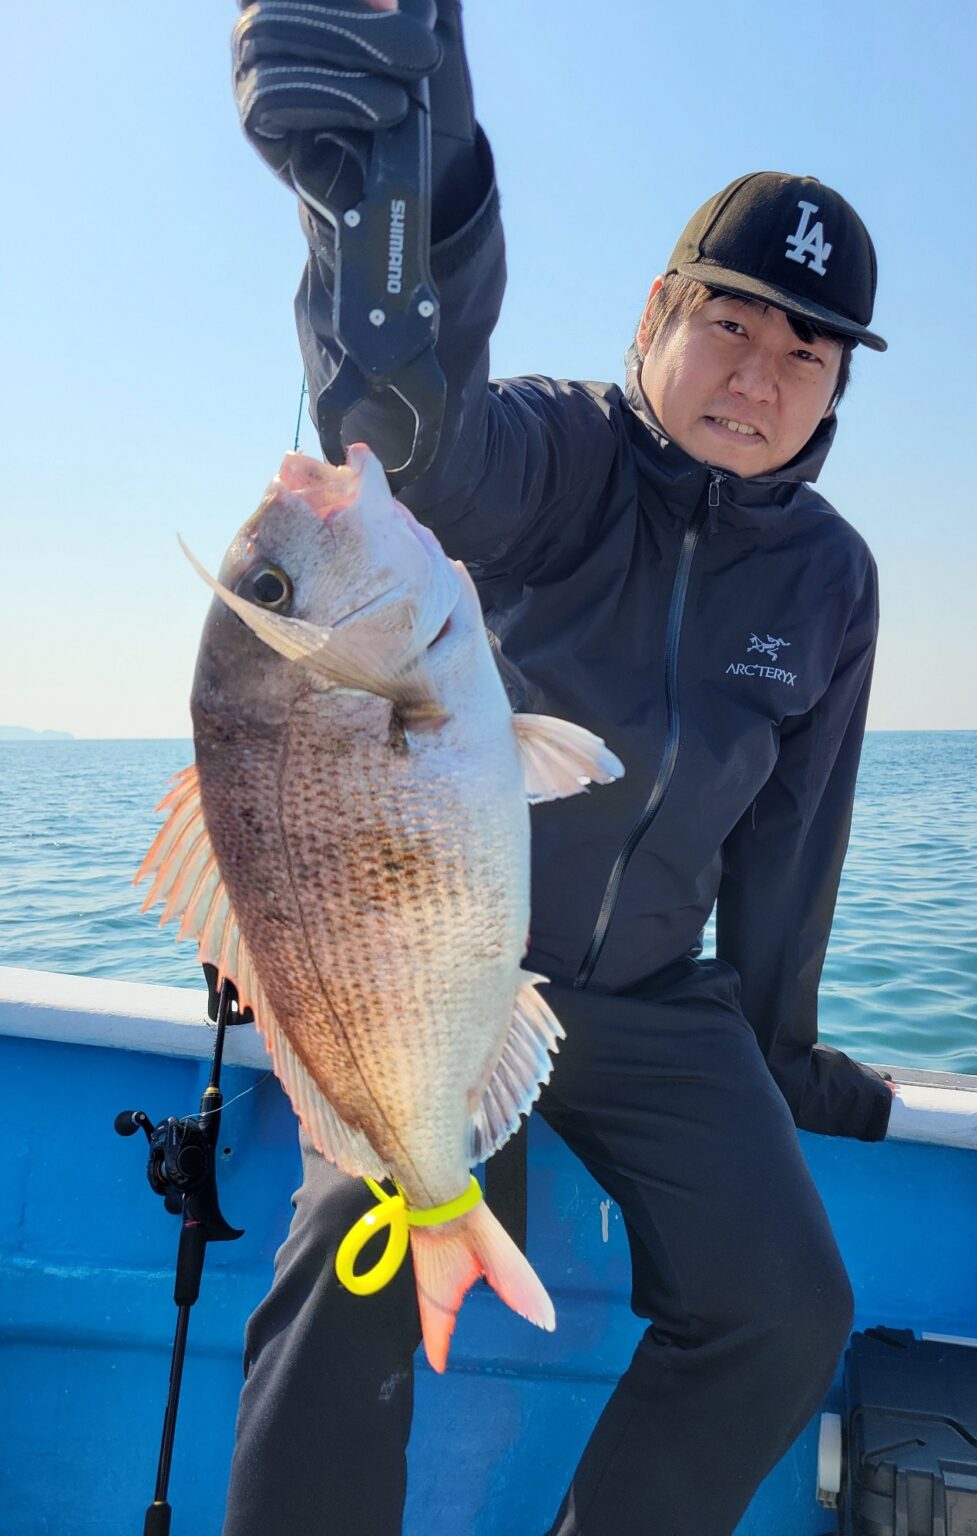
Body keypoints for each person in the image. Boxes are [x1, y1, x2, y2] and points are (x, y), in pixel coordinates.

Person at [224, 2, 894, 1532]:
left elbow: (793, 847)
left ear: (837, 386)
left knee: (785, 1310)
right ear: (657, 311)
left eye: (804, 350)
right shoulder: (545, 451)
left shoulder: (831, 580)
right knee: (349, 1271)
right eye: (730, 323)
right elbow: (407, 429)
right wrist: (409, 195)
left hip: (659, 1001)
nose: (758, 375)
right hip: (441, 969)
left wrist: (785, 1056)